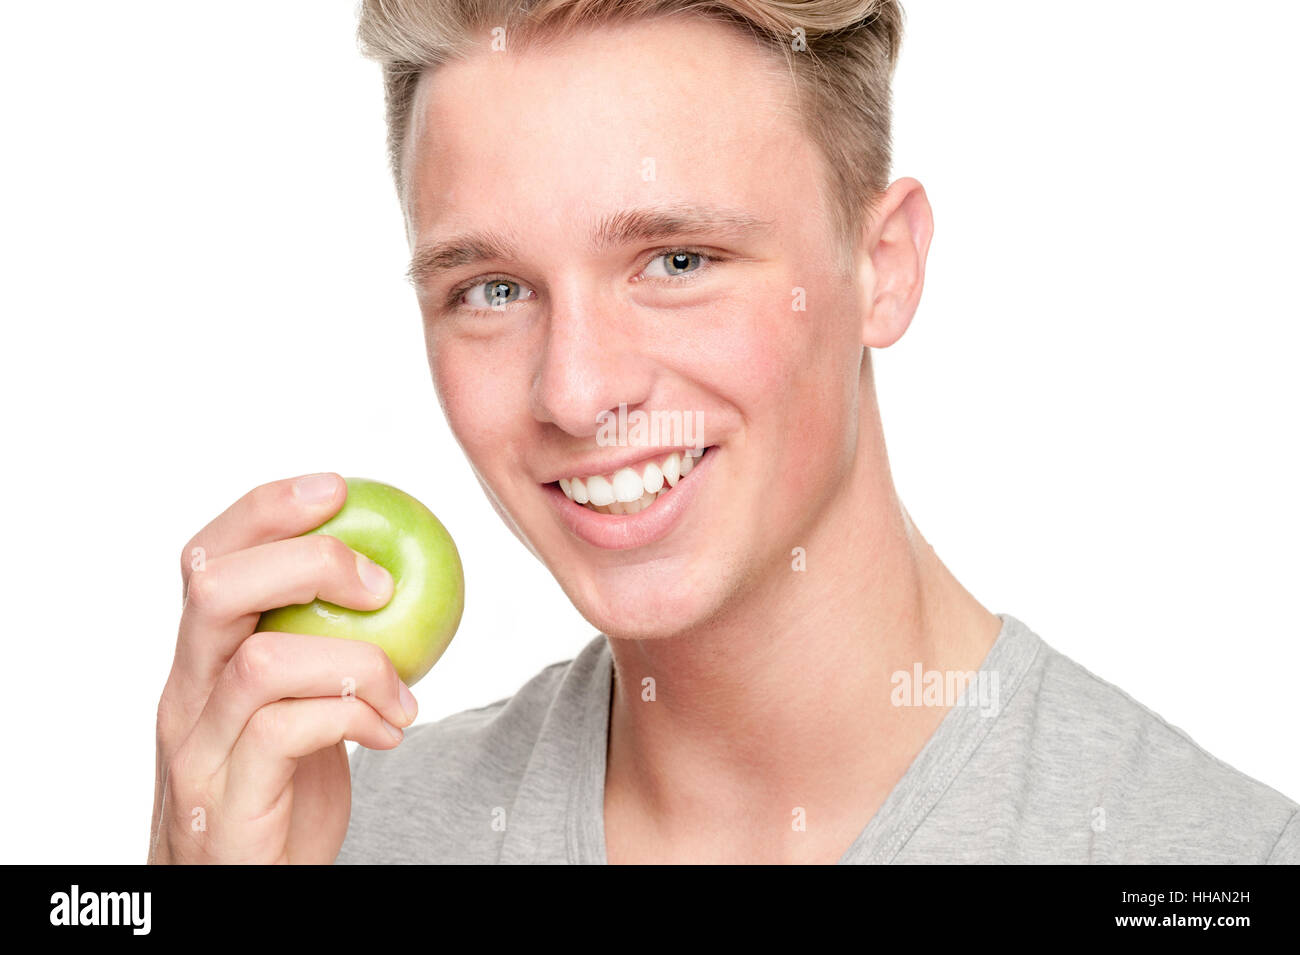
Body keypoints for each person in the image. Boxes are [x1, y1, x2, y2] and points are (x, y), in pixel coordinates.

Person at [150, 0, 1298, 864]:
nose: (576, 390)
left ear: (879, 266)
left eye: (677, 261)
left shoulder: (1207, 863)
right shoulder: (334, 839)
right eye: (492, 287)